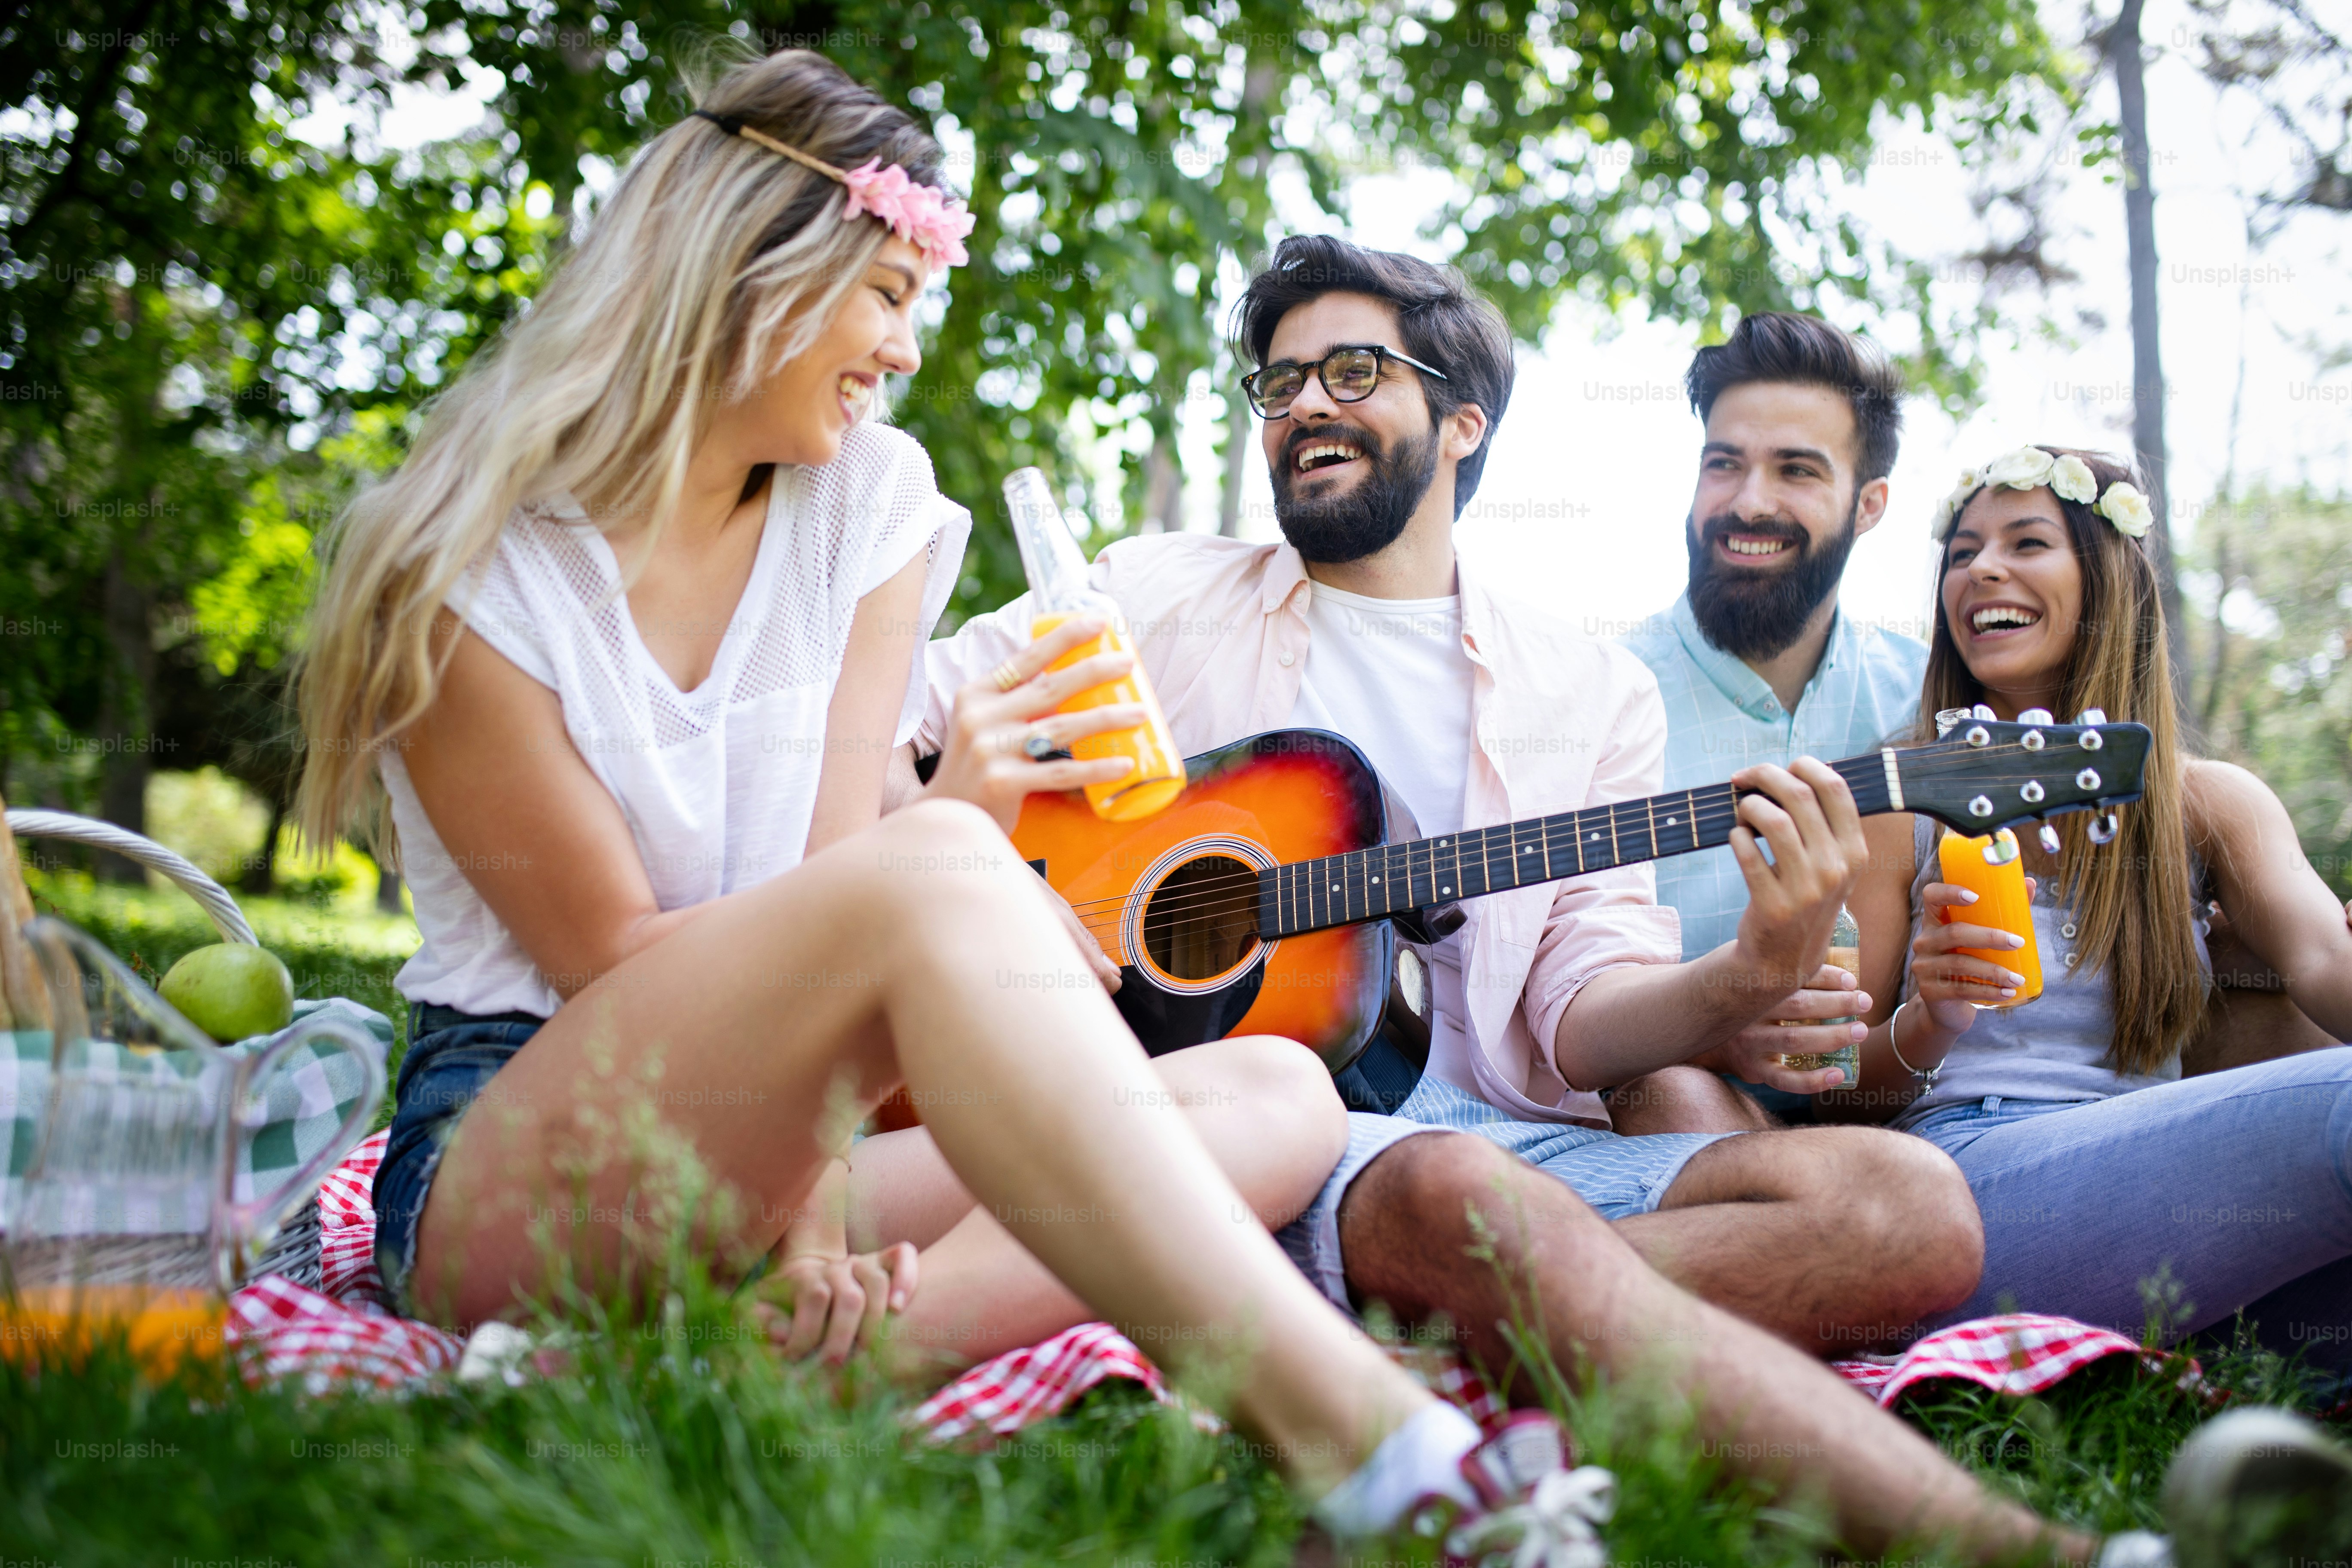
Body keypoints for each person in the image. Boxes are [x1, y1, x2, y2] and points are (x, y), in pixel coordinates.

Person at [290, 51, 1611, 1557]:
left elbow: (823, 887)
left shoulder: (869, 502)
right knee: (942, 858)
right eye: (887, 296)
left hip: (790, 1142)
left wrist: (804, 1207)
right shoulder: (461, 573)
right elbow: (623, 959)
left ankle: (792, 1364)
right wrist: (940, 885)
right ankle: (1383, 1453)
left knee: (1279, 1092)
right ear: (756, 277)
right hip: (526, 1157)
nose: (908, 350)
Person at [863, 236, 2151, 1565]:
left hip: (1506, 1137)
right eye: (1281, 380)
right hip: (1262, 1131)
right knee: (1470, 1199)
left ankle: (1350, 1343)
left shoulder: (1589, 692)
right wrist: (1011, 905)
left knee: (1912, 1208)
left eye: (1352, 370)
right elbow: (868, 766)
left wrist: (1756, 968)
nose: (1305, 402)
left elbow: (1583, 1018)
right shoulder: (1146, 597)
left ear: (1463, 421)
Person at [1815, 443, 2352, 1376]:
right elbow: (1836, 1087)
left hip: (2159, 1203)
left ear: (2109, 583)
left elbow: (2323, 968)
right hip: (1967, 1189)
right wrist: (1929, 1021)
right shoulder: (1901, 805)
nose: (1982, 569)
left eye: (2028, 542)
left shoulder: (2209, 803)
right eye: (1963, 552)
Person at [1612, 311, 1929, 1130]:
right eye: (1725, 465)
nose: (1749, 503)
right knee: (1673, 1097)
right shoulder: (1597, 696)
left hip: (1896, 1118)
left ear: (1868, 506)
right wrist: (1716, 1037)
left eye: (1797, 470)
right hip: (1653, 1112)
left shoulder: (1924, 698)